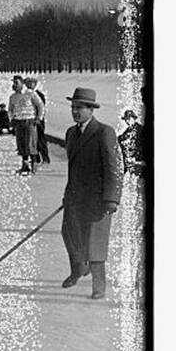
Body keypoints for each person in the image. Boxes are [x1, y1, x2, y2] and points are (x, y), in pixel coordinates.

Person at [60, 88, 122, 299]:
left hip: (97, 199)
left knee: (95, 242)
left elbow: (114, 168)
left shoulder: (104, 132)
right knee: (70, 234)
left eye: (79, 108)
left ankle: (99, 285)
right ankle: (78, 269)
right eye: (73, 108)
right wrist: (68, 194)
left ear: (91, 110)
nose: (75, 112)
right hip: (75, 197)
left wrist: (111, 198)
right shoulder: (70, 133)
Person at [7, 75, 42, 175]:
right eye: (13, 83)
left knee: (30, 144)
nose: (14, 85)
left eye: (16, 83)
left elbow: (40, 106)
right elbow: (10, 109)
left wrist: (38, 118)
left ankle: (34, 165)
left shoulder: (30, 94)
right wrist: (12, 119)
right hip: (19, 122)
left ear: (22, 83)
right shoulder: (12, 97)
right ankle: (25, 166)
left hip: (29, 122)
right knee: (22, 145)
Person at [25, 77, 51, 167]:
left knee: (40, 139)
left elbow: (41, 107)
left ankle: (45, 158)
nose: (29, 85)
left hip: (38, 121)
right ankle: (36, 158)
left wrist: (39, 118)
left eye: (31, 83)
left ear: (35, 84)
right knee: (33, 140)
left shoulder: (39, 94)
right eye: (27, 83)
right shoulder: (27, 94)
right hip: (31, 121)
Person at [118, 109, 144, 177]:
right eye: (126, 119)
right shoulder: (128, 131)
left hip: (138, 164)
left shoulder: (140, 130)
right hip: (130, 165)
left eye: (129, 119)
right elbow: (121, 138)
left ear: (134, 118)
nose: (127, 121)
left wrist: (136, 159)